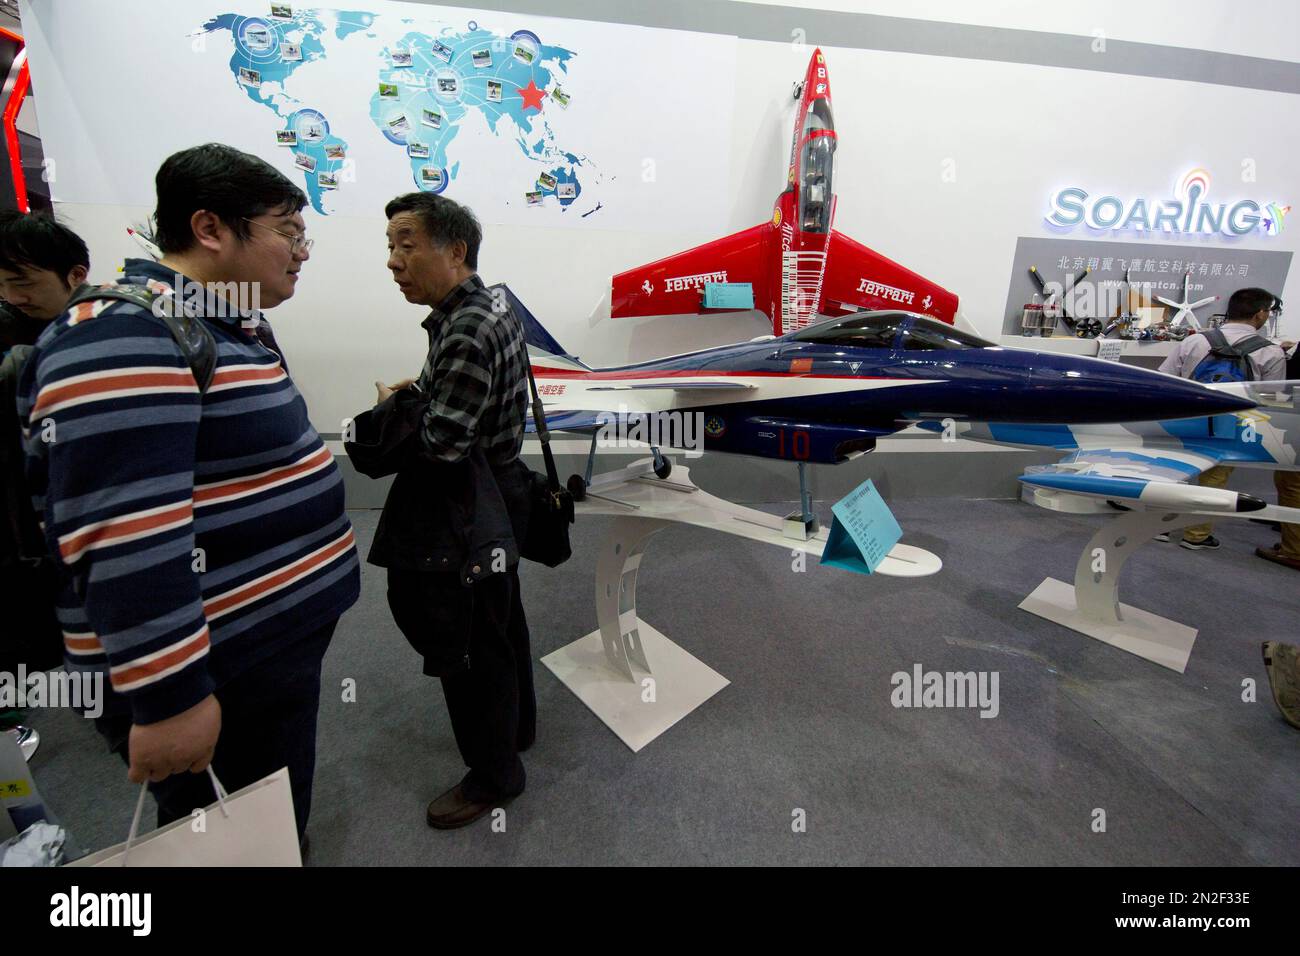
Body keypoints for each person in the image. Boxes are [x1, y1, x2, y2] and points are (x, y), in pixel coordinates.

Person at [18, 144, 360, 846]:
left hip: (262, 654)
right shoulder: (123, 334)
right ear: (210, 229)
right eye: (288, 232)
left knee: (264, 821)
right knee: (220, 838)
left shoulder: (224, 322)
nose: (302, 252)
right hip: (212, 671)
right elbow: (124, 534)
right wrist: (171, 699)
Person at [370, 192, 534, 829]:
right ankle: (517, 732)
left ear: (455, 250)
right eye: (391, 246)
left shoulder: (464, 326)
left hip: (470, 510)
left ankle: (495, 776)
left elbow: (441, 445)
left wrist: (392, 409)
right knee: (502, 622)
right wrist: (426, 391)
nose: (393, 261)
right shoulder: (491, 305)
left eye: (407, 245)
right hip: (501, 494)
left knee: (469, 649)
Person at [0, 211, 93, 761]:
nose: (13, 295)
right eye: (5, 282)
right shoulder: (15, 335)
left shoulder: (101, 339)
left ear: (74, 274)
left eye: (23, 281)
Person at [1157, 287, 1287, 552]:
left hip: (1185, 416)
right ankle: (1196, 534)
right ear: (1261, 313)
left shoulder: (1194, 341)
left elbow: (1164, 378)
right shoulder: (1270, 353)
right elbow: (1274, 399)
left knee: (1171, 470)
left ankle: (1160, 525)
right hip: (1232, 422)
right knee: (1214, 478)